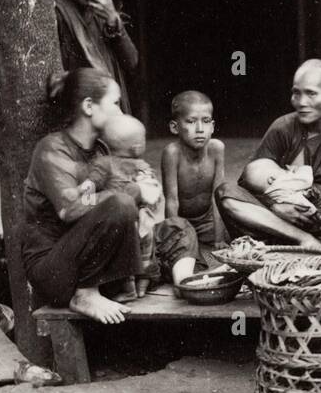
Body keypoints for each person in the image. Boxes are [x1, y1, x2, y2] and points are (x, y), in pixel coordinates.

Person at [216, 59, 321, 250]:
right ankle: (302, 240)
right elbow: (250, 182)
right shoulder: (283, 128)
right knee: (226, 194)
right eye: (296, 93)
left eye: (311, 94)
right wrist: (276, 206)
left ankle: (305, 244)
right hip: (281, 221)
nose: (301, 102)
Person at [21, 68, 142, 324]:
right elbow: (70, 208)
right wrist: (124, 192)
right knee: (120, 202)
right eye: (115, 103)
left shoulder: (101, 149)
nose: (120, 113)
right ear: (89, 106)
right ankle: (85, 294)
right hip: (54, 270)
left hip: (87, 262)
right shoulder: (52, 149)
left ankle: (112, 284)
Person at [54, 0, 139, 114]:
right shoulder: (59, 15)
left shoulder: (104, 13)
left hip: (113, 110)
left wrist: (113, 19)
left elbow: (132, 62)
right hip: (81, 113)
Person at [83, 113, 163, 298]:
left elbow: (91, 184)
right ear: (137, 147)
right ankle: (143, 285)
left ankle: (129, 290)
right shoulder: (141, 165)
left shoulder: (103, 164)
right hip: (144, 220)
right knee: (146, 254)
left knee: (126, 254)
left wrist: (87, 202)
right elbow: (153, 190)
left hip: (124, 220)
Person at [159, 90, 226, 284]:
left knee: (237, 237)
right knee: (183, 252)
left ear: (212, 126)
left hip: (207, 221)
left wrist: (219, 238)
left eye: (206, 121)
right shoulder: (172, 153)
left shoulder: (216, 149)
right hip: (183, 221)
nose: (199, 129)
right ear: (174, 127)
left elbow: (218, 195)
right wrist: (176, 238)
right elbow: (171, 200)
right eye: (190, 121)